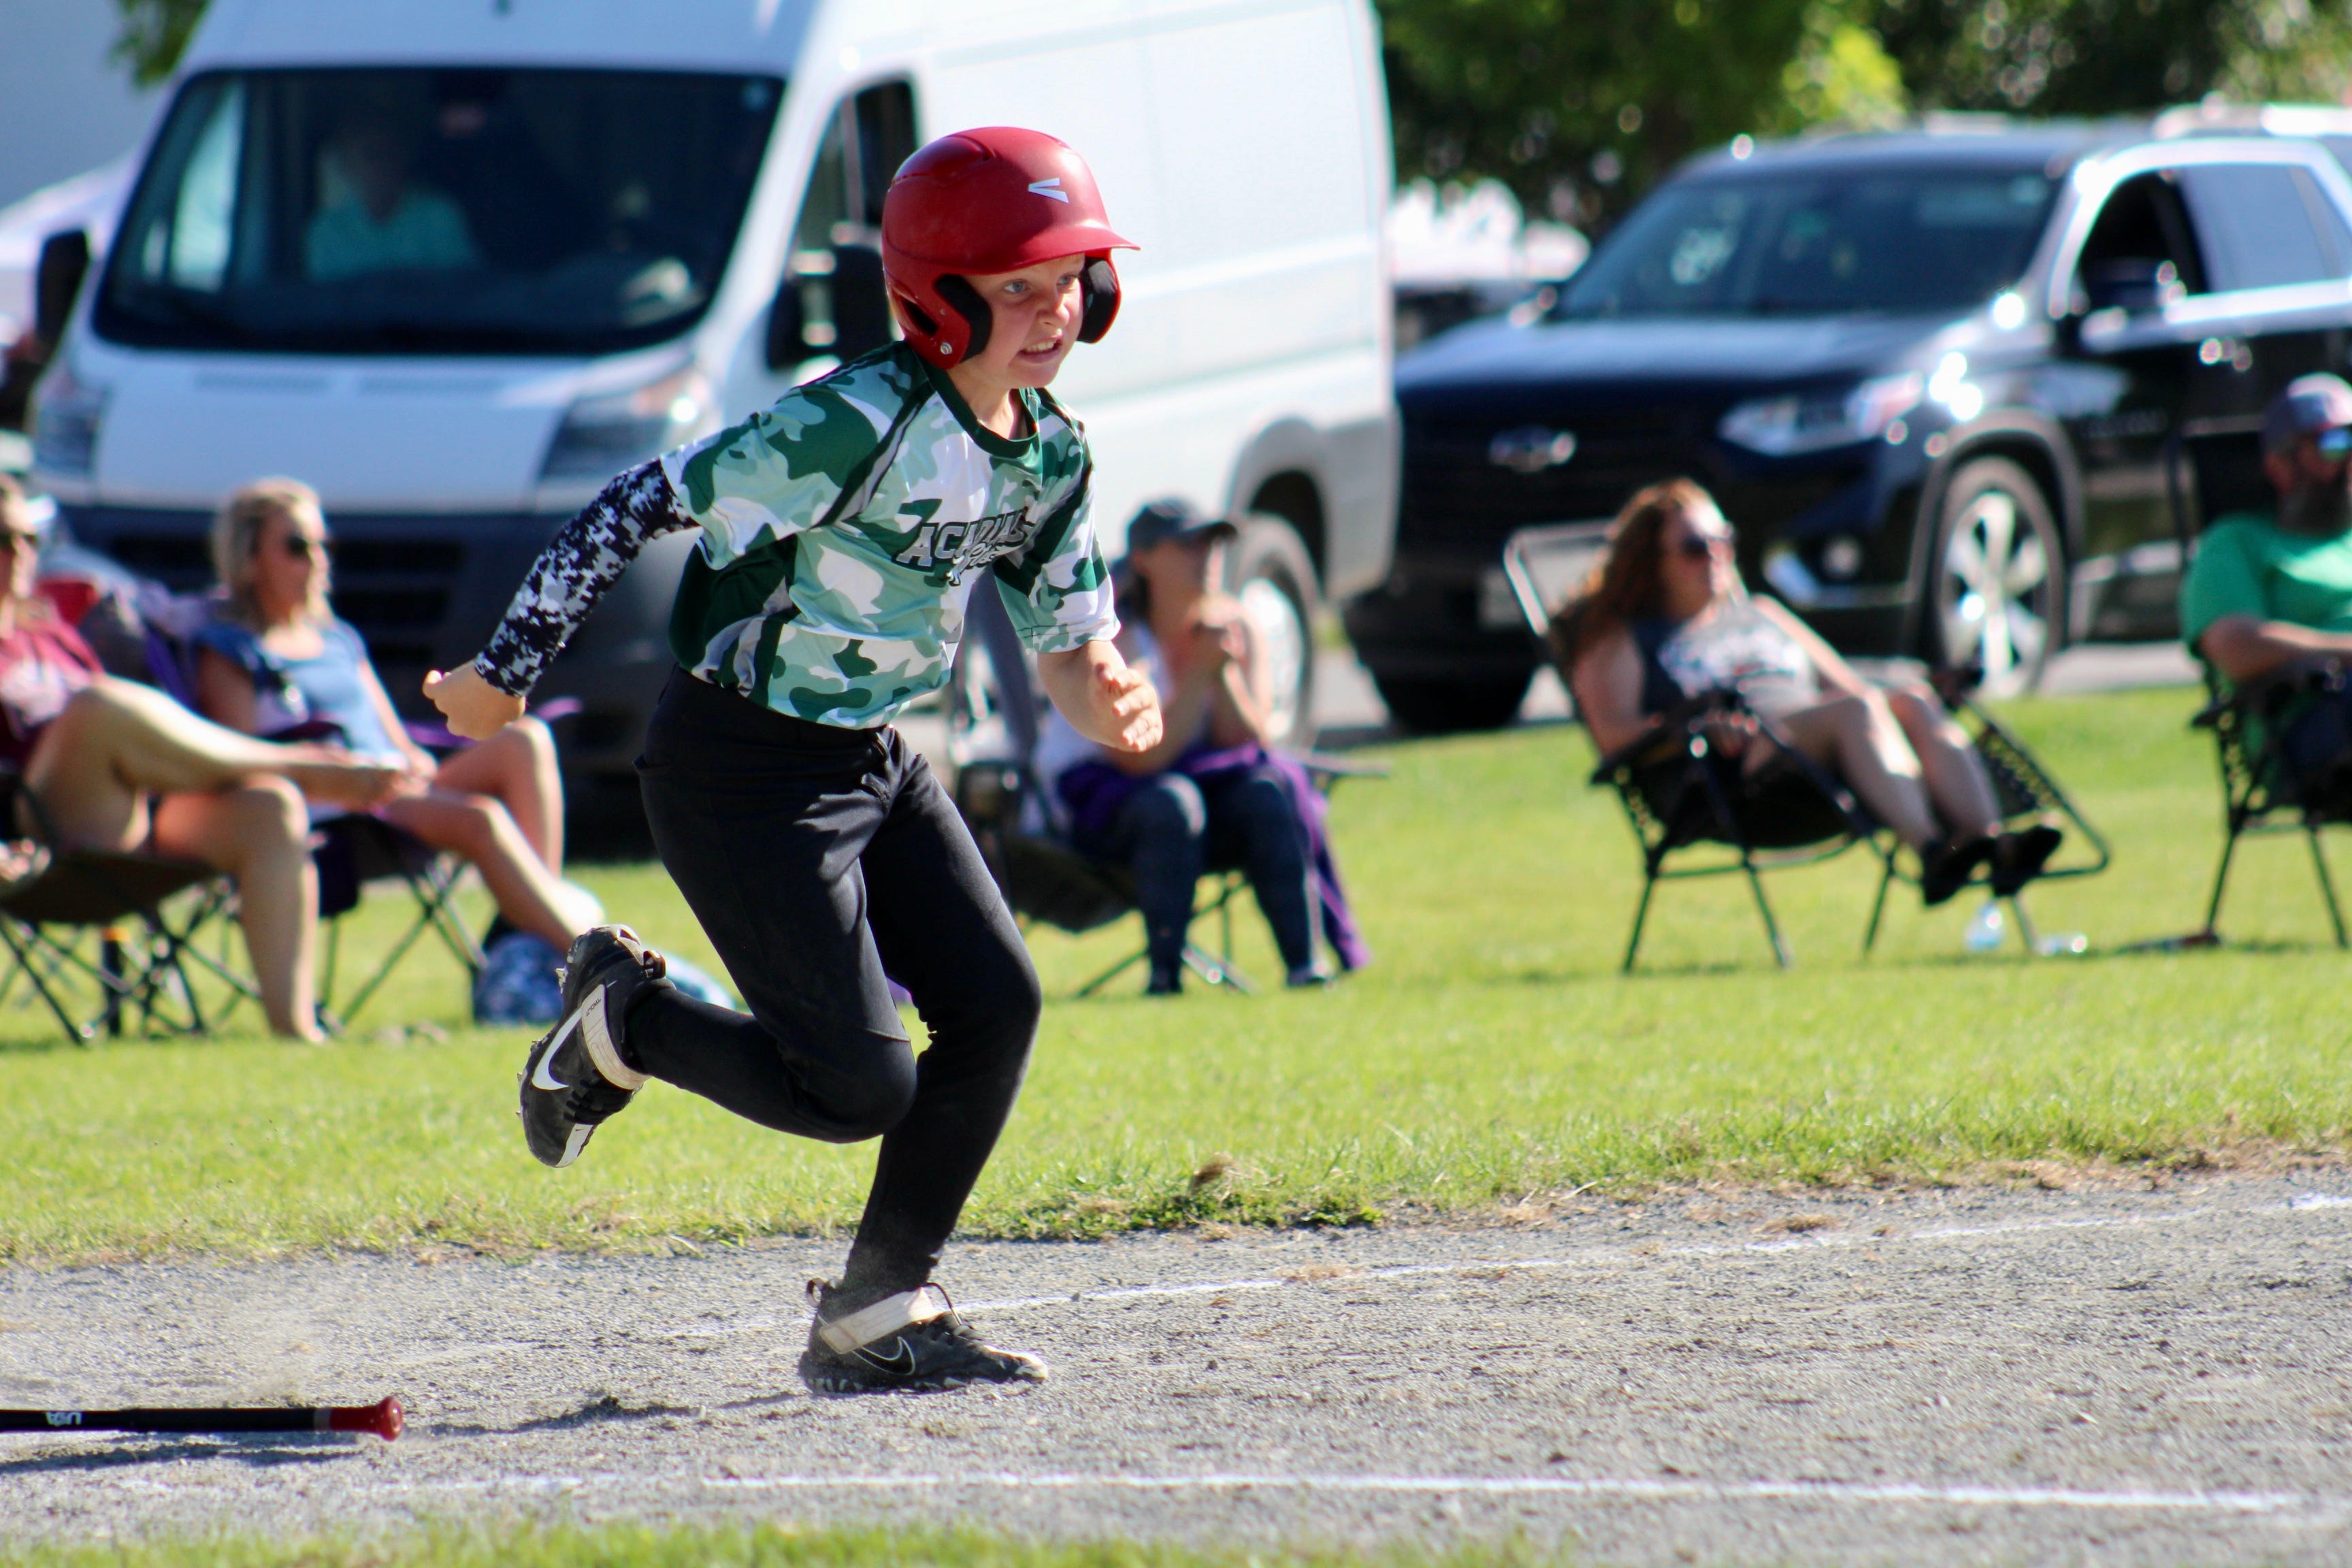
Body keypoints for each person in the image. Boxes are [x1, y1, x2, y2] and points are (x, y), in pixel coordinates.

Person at [423, 128, 1160, 1394]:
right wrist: (505, 670)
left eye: (1070, 280)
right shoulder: (848, 423)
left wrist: (1110, 693)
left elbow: (1068, 646)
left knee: (997, 1003)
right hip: (738, 766)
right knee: (858, 1086)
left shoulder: (1049, 451)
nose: (1055, 309)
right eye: (1019, 286)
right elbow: (632, 505)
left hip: (868, 756)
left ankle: (877, 1309)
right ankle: (629, 1018)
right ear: (937, 297)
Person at [0, 474, 402, 1039]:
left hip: (134, 815)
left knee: (271, 807)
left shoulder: (51, 635)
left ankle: (297, 1030)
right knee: (99, 705)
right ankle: (300, 765)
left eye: (30, 538)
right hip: (43, 831)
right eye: (4, 539)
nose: (21, 552)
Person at [1556, 478, 2060, 906]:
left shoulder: (1761, 613)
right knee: (1853, 711)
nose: (1714, 557)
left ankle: (1991, 846)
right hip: (1740, 776)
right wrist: (1691, 728)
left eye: (1722, 541)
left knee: (1911, 702)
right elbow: (1611, 736)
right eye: (1693, 548)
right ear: (1651, 562)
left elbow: (1851, 685)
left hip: (1826, 751)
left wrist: (1920, 683)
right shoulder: (1625, 638)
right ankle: (1932, 852)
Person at [193, 478, 600, 955]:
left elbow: (392, 735)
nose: (318, 560)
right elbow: (243, 762)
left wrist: (412, 758)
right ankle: (584, 952)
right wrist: (337, 770)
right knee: (481, 819)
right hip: (339, 806)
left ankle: (535, 937)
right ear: (249, 558)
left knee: (525, 739)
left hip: (395, 787)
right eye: (298, 546)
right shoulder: (232, 650)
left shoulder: (338, 638)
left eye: (325, 546)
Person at [1034, 499, 1365, 993]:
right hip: (1100, 803)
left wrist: (1222, 672)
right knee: (1172, 802)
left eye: (1214, 543)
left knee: (1268, 790)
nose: (1207, 556)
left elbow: (1249, 742)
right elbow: (1138, 756)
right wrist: (1195, 678)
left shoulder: (1235, 625)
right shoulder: (1115, 636)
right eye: (1189, 544)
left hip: (1191, 793)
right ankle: (1165, 977)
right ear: (1144, 560)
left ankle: (1306, 966)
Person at [2179, 373, 2352, 798]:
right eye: (2334, 444)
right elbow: (2237, 646)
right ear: (2279, 466)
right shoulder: (2237, 542)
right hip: (2313, 726)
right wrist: (2345, 651)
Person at [305, 96, 478, 282]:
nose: (383, 165)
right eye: (371, 155)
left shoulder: (439, 216)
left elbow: (463, 287)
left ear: (404, 156)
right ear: (347, 165)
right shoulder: (326, 232)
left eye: (390, 153)